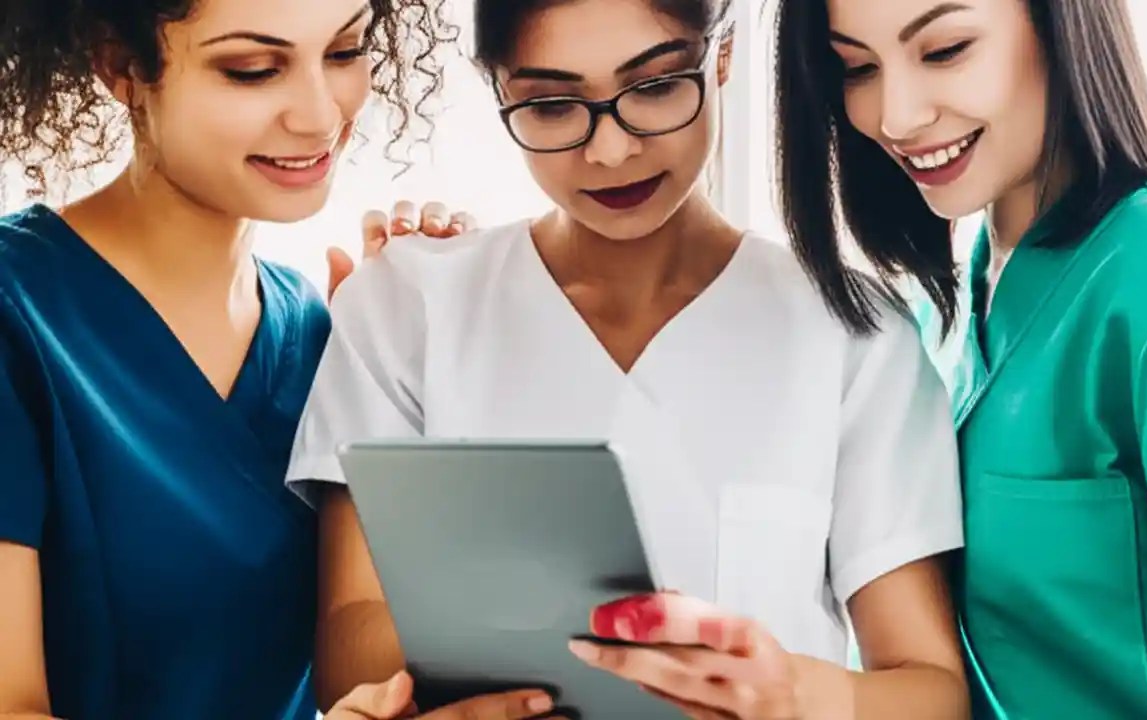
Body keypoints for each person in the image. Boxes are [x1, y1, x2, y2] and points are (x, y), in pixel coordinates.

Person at [286, 0, 975, 717]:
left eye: (655, 87)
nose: (611, 152)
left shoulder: (855, 333)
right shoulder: (405, 307)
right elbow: (348, 644)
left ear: (723, 56)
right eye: (552, 106)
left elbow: (931, 690)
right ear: (498, 91)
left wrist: (792, 696)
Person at [0, 0, 547, 718]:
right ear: (121, 65)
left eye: (344, 51)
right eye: (253, 69)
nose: (321, 116)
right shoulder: (19, 314)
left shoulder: (317, 329)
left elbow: (388, 648)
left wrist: (412, 362)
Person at [775, 0, 1147, 717]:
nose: (897, 116)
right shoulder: (936, 321)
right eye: (856, 68)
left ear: (1058, 25)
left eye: (945, 50)